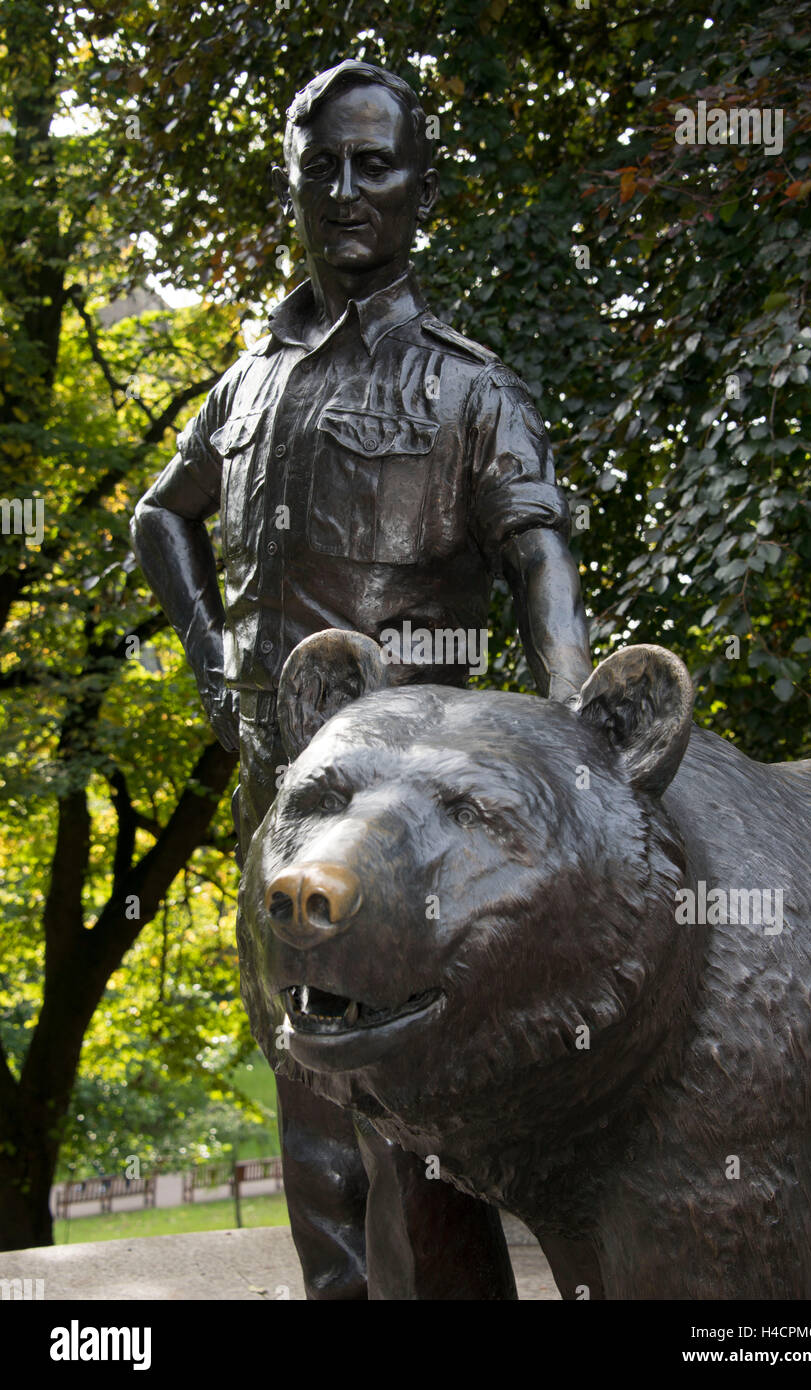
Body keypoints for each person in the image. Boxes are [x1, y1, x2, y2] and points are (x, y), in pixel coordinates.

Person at [131, 58, 591, 1299]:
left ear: (419, 190)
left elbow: (539, 553)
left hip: (407, 819)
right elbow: (157, 517)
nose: (345, 191)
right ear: (291, 185)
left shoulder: (469, 386)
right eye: (321, 165)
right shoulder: (247, 380)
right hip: (274, 803)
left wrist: (577, 733)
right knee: (310, 1108)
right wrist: (210, 647)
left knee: (409, 1125)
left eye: (374, 165)